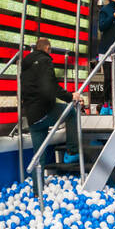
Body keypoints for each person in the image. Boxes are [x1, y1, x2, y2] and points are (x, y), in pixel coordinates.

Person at [21, 38, 82, 175]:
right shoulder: (45, 60)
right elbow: (51, 86)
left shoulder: (25, 63)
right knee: (71, 112)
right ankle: (72, 151)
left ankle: (37, 192)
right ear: (47, 48)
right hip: (45, 111)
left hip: (32, 117)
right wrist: (70, 96)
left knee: (38, 156)